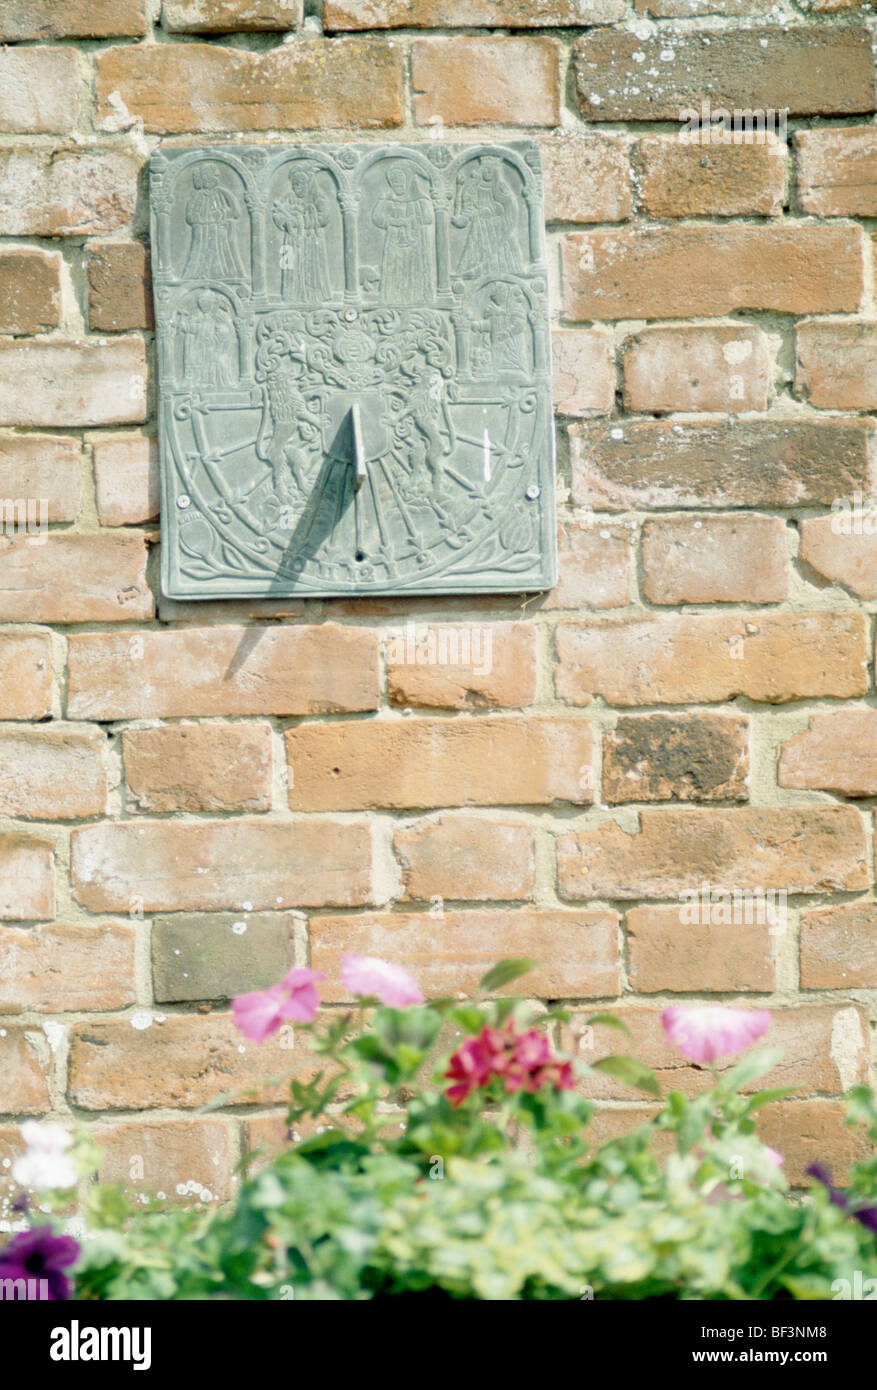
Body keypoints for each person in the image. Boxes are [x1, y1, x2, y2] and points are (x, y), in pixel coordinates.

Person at [372, 164, 434, 303]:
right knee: (395, 270)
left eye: (400, 178)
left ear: (408, 178)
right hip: (394, 242)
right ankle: (393, 300)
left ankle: (417, 300)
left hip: (415, 242)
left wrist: (412, 221)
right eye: (393, 180)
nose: (396, 182)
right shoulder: (387, 197)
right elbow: (376, 218)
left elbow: (428, 218)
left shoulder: (420, 198)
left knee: (414, 271)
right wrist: (394, 221)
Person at [453, 157, 522, 279]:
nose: (488, 172)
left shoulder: (502, 189)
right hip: (480, 233)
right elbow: (467, 213)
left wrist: (496, 209)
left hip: (499, 232)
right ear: (481, 170)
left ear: (497, 171)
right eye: (485, 169)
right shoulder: (472, 189)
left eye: (492, 170)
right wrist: (461, 219)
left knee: (503, 264)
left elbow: (511, 209)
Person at [273, 168, 331, 303]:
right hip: (291, 239)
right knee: (289, 264)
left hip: (311, 239)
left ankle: (314, 296)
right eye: (295, 184)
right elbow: (277, 214)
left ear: (308, 183)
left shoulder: (317, 198)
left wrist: (302, 220)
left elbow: (324, 218)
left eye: (301, 183)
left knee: (311, 267)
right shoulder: (288, 198)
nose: (297, 187)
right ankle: (291, 295)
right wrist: (286, 222)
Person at [182, 165, 244, 280]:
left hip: (219, 231)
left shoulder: (223, 194)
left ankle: (226, 275)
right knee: (200, 254)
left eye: (214, 176)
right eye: (208, 176)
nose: (212, 179)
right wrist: (200, 218)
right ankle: (198, 276)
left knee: (222, 252)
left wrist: (222, 213)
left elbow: (236, 212)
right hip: (202, 233)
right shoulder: (197, 196)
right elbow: (189, 216)